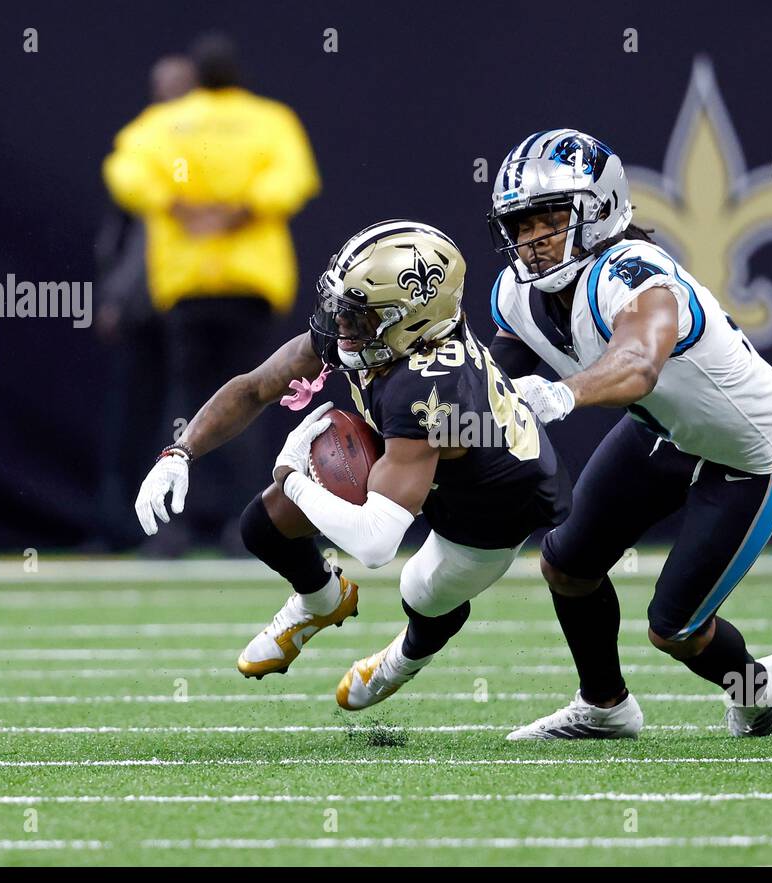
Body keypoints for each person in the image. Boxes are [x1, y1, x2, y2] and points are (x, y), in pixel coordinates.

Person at [133, 221, 569, 708]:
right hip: (417, 451)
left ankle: (403, 659)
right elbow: (256, 386)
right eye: (342, 309)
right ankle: (321, 599)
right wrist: (180, 452)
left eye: (360, 316)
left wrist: (292, 475)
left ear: (413, 319)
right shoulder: (387, 338)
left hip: (492, 505)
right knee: (263, 523)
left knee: (422, 592)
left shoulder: (426, 386)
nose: (341, 326)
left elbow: (376, 543)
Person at [484, 129, 772, 739]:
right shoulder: (519, 294)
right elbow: (485, 383)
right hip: (664, 430)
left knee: (675, 629)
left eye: (549, 219)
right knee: (566, 564)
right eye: (520, 226)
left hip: (751, 447)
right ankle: (604, 707)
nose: (533, 242)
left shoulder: (634, 272)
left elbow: (638, 364)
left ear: (600, 208)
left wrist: (565, 393)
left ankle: (758, 685)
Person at [104, 34, 321, 550]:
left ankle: (170, 527)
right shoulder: (270, 119)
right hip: (250, 280)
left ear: (197, 77)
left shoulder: (166, 122)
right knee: (256, 394)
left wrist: (177, 205)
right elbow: (295, 178)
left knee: (183, 395)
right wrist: (242, 209)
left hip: (188, 280)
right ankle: (244, 524)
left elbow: (124, 171)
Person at [92, 55, 196, 551]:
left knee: (183, 418)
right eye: (164, 88)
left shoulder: (215, 149)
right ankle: (117, 527)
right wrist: (113, 298)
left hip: (192, 304)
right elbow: (126, 236)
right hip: (143, 305)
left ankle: (176, 527)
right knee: (131, 416)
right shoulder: (143, 147)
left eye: (180, 87)